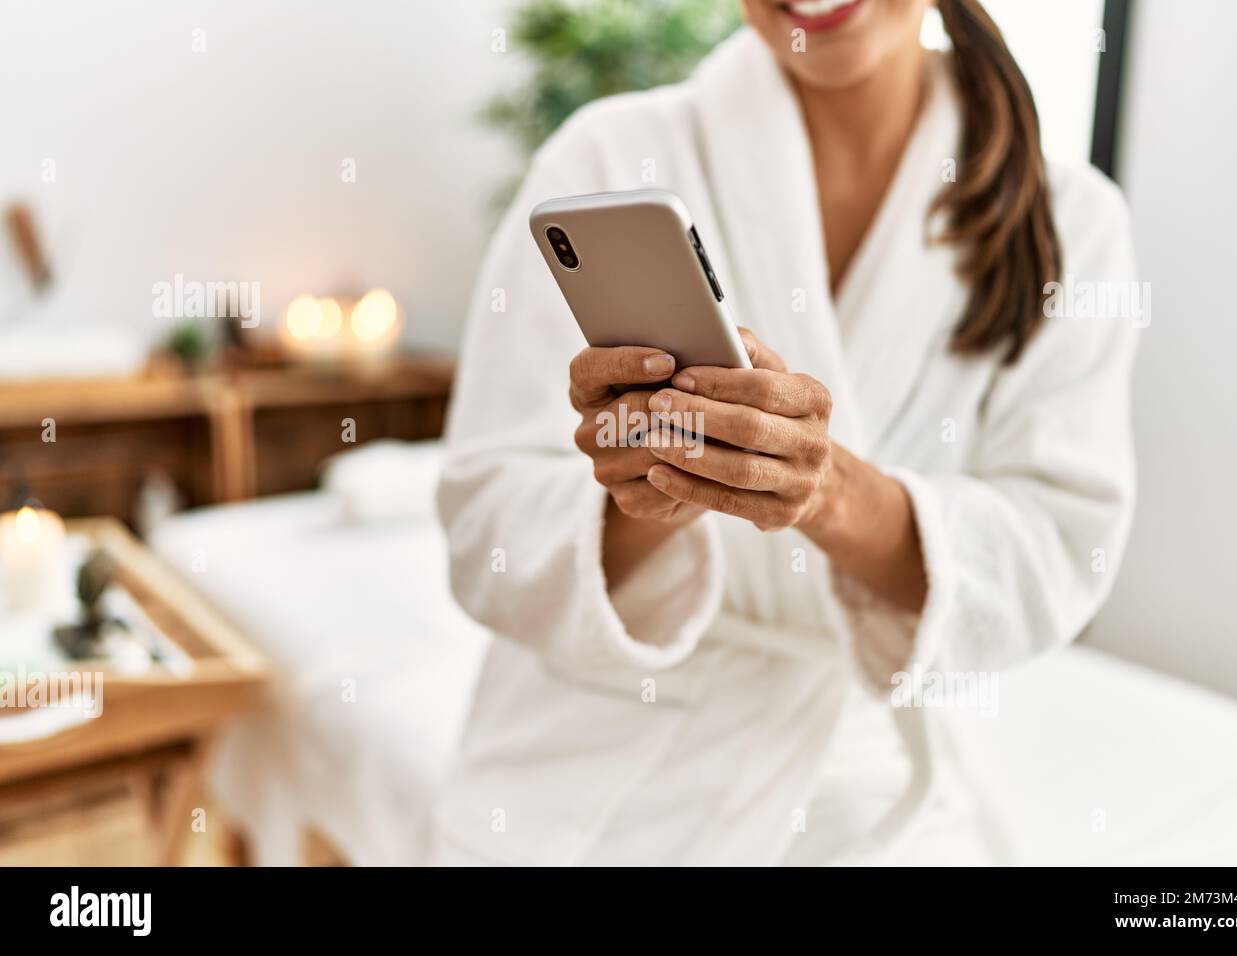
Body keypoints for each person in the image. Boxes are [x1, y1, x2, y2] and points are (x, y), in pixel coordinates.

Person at [435, 0, 1138, 865]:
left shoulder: (1071, 220)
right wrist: (657, 491)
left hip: (864, 756)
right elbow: (483, 529)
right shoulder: (604, 157)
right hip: (603, 743)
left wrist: (829, 492)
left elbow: (1062, 545)